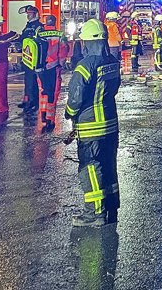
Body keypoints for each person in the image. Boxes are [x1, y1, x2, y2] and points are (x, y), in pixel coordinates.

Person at [64, 19, 121, 227]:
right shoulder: (113, 62)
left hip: (90, 125)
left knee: (90, 167)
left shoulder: (85, 66)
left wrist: (69, 113)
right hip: (111, 123)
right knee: (108, 164)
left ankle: (95, 213)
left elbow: (76, 98)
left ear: (86, 42)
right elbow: (114, 89)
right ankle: (111, 206)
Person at [36, 15, 64, 130]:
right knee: (53, 92)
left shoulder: (39, 34)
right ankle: (50, 118)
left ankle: (42, 114)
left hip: (40, 68)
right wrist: (61, 64)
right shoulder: (60, 35)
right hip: (53, 66)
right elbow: (63, 50)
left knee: (42, 91)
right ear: (55, 22)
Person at [20, 5, 44, 114]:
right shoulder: (28, 25)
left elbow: (40, 41)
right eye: (27, 14)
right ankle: (27, 100)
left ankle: (33, 103)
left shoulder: (38, 26)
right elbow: (23, 37)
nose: (28, 16)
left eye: (29, 14)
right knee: (27, 80)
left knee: (32, 82)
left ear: (35, 14)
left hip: (34, 59)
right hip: (27, 57)